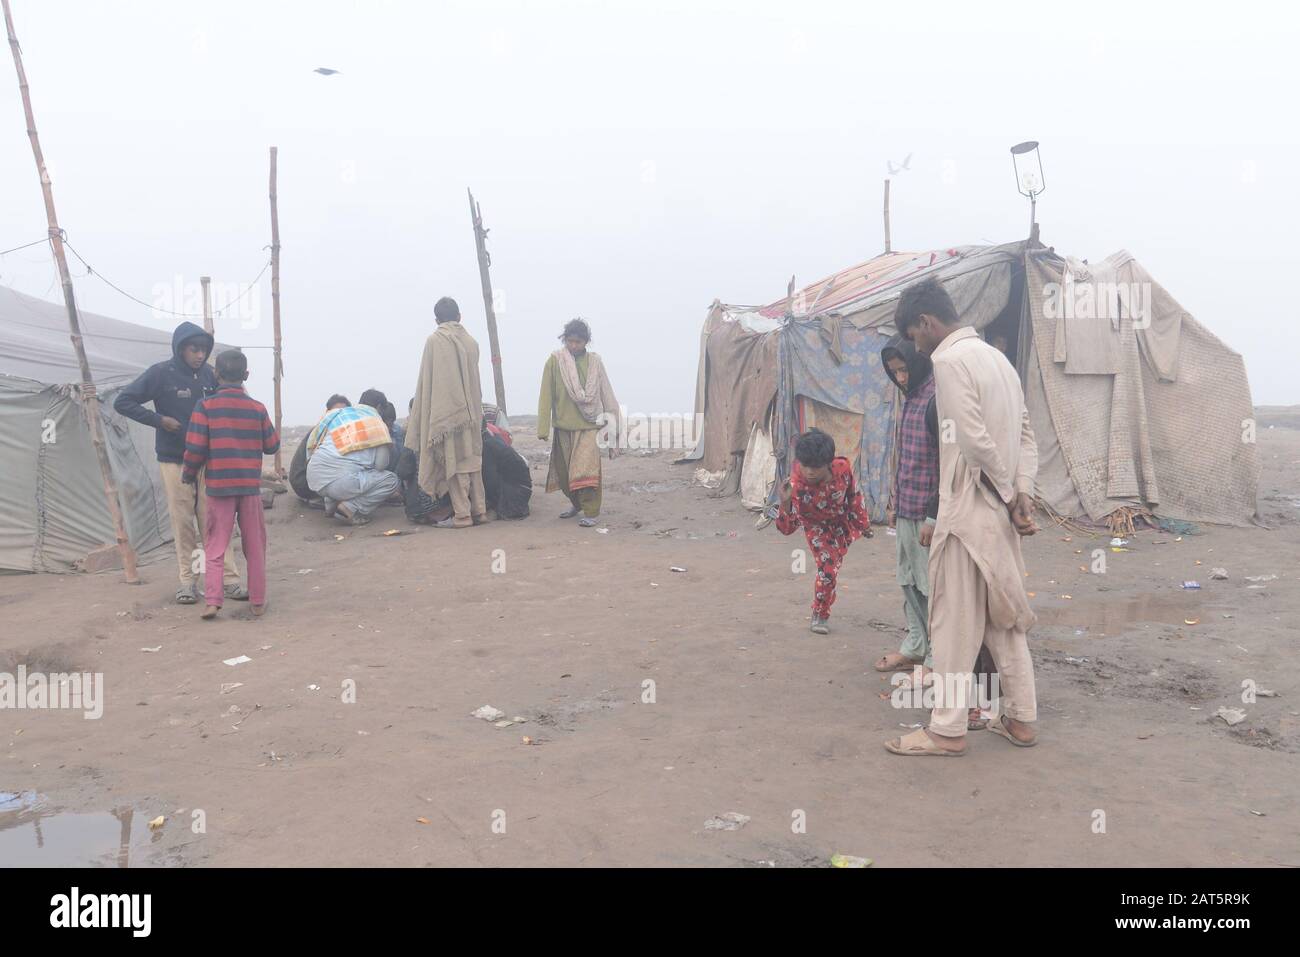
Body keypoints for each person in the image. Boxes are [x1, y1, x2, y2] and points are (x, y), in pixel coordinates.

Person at [884, 277, 1039, 757]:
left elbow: (972, 441)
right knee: (1002, 621)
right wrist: (1021, 492)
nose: (915, 346)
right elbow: (1026, 437)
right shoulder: (998, 360)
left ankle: (946, 731)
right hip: (998, 511)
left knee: (952, 625)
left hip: (966, 509)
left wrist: (1011, 493)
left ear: (926, 323)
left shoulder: (948, 361)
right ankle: (1021, 720)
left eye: (914, 336)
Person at [113, 321, 245, 604]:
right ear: (180, 348)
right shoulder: (161, 374)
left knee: (215, 520)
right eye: (194, 349)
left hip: (210, 462)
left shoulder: (212, 376)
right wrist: (159, 420)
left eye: (204, 350)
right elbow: (124, 401)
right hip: (175, 460)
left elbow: (233, 404)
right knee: (182, 521)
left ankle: (229, 579)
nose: (199, 355)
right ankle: (187, 581)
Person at [181, 350, 279, 620]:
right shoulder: (257, 408)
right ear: (246, 376)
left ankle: (213, 601)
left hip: (219, 489)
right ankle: (257, 601)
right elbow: (272, 446)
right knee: (255, 546)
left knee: (215, 545)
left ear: (216, 375)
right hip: (249, 489)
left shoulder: (205, 407)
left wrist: (188, 474)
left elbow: (195, 448)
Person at [875, 340, 939, 677]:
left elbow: (945, 463)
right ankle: (916, 645)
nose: (900, 377)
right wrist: (893, 501)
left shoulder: (935, 399)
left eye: (904, 369)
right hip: (906, 509)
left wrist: (934, 515)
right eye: (894, 371)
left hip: (927, 514)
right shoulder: (910, 397)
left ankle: (936, 658)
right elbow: (905, 458)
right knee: (908, 581)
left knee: (932, 587)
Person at [774, 428, 871, 634]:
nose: (809, 472)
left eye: (815, 467)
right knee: (827, 570)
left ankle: (822, 606)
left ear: (828, 463)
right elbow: (786, 529)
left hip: (841, 523)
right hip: (816, 528)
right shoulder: (795, 487)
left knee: (833, 566)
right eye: (805, 465)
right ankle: (820, 614)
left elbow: (853, 496)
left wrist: (863, 524)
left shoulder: (843, 469)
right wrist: (785, 503)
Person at [405, 297, 488, 528]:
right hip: (472, 412)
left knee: (454, 461)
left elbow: (428, 382)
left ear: (436, 319)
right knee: (473, 460)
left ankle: (462, 515)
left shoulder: (434, 340)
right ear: (459, 316)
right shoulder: (472, 341)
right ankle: (479, 510)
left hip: (447, 414)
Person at [537, 318, 620, 528]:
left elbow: (606, 392)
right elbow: (545, 394)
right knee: (566, 475)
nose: (574, 346)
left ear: (586, 342)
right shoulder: (555, 362)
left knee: (586, 473)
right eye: (570, 341)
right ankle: (576, 504)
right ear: (564, 340)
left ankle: (591, 512)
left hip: (590, 427)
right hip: (564, 427)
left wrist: (612, 423)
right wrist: (543, 427)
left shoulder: (595, 362)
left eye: (578, 342)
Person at [305, 396, 399, 525]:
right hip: (340, 483)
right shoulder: (377, 425)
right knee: (390, 480)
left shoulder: (340, 416)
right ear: (378, 408)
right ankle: (350, 508)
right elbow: (380, 466)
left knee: (344, 465)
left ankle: (330, 506)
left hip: (314, 479)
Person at [290, 394, 349, 505]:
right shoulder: (324, 431)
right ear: (327, 412)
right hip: (303, 483)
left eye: (342, 413)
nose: (338, 416)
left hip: (302, 481)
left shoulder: (328, 429)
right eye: (335, 412)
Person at [481, 420, 532, 519]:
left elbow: (490, 480)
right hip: (523, 491)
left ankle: (494, 507)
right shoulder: (492, 436)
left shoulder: (486, 445)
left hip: (515, 497)